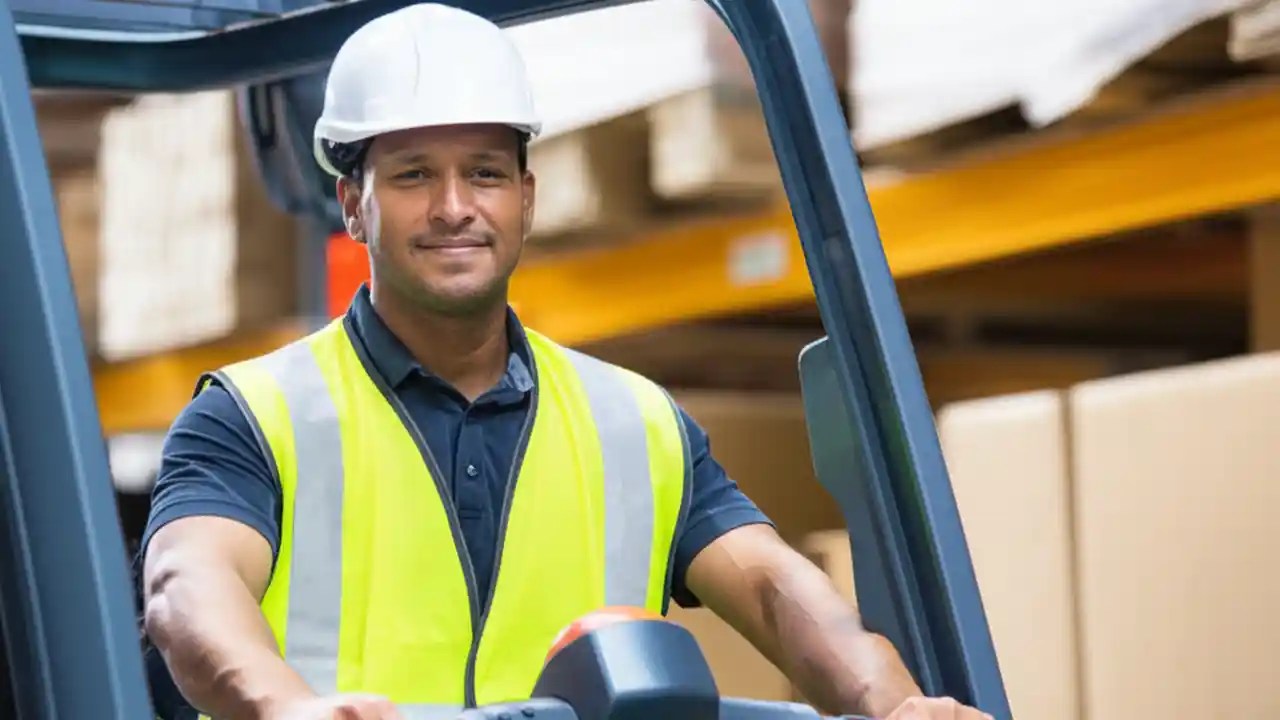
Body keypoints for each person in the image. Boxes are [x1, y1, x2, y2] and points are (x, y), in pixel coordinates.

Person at [138, 4, 993, 720]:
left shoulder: (634, 421)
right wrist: (286, 705)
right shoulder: (253, 414)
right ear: (353, 206)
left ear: (526, 198)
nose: (453, 207)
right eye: (411, 176)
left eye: (484, 173)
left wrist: (894, 705)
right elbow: (188, 588)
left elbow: (771, 586)